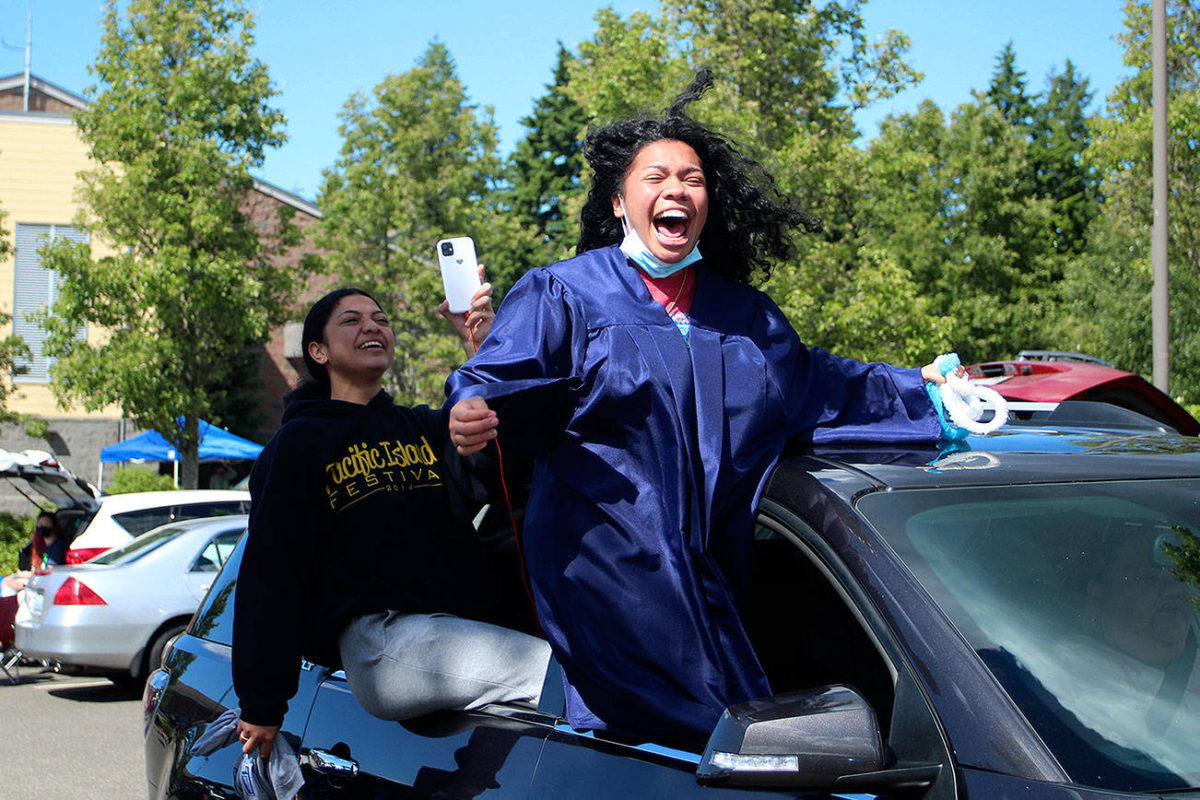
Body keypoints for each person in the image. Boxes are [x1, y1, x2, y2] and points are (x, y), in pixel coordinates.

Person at [446, 70, 952, 744]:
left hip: (714, 584)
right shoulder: (564, 294)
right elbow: (497, 376)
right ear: (621, 203)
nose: (676, 189)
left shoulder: (744, 316)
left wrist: (925, 387)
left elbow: (825, 386)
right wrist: (469, 408)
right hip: (609, 574)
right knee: (679, 738)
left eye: (692, 178)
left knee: (741, 736)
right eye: (655, 177)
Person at [233, 281, 552, 759]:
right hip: (383, 640)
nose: (372, 326)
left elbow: (504, 465)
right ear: (317, 351)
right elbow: (272, 572)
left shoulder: (421, 427)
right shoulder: (297, 446)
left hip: (459, 627)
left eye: (380, 319)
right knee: (556, 675)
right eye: (352, 320)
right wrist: (262, 704)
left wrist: (483, 348)